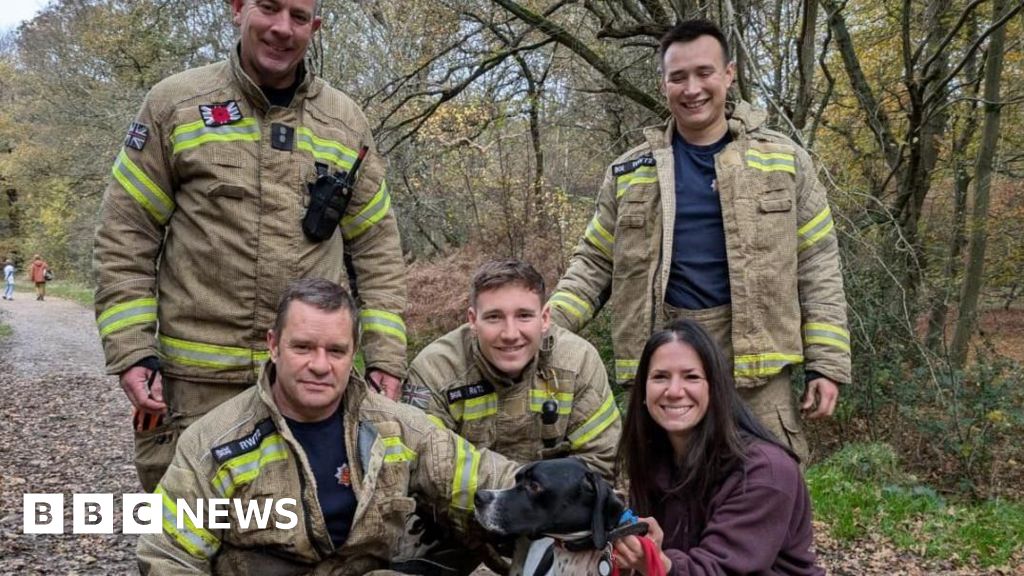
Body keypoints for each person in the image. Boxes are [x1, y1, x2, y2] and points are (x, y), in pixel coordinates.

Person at [93, 0, 407, 492]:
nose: (282, 28)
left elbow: (378, 248)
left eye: (299, 17)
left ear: (315, 28)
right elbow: (125, 236)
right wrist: (132, 351)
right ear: (237, 9)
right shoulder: (174, 104)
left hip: (308, 385)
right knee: (187, 539)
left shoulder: (346, 124)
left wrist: (385, 357)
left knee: (307, 534)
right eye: (269, 8)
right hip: (194, 388)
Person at [547, 19, 850, 461]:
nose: (692, 88)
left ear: (729, 73)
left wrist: (827, 363)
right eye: (678, 77)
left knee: (765, 495)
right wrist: (543, 331)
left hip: (758, 373)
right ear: (664, 84)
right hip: (667, 373)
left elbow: (818, 263)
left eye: (704, 73)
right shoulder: (630, 173)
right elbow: (593, 263)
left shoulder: (785, 161)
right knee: (668, 500)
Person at [137, 278, 518, 575]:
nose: (320, 365)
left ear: (354, 352)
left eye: (336, 351)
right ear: (273, 345)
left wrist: (566, 504)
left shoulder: (396, 427)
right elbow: (170, 555)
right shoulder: (213, 444)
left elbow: (483, 477)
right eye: (303, 347)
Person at [398, 258, 621, 574]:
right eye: (494, 317)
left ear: (545, 318)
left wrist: (532, 511)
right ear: (472, 320)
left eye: (524, 316)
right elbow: (427, 470)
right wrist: (515, 498)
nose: (510, 333)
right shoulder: (434, 370)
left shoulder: (578, 362)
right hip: (456, 526)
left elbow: (598, 466)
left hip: (551, 525)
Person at [613, 319, 825, 575]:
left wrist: (656, 561)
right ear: (643, 393)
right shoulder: (653, 458)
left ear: (715, 388)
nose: (674, 390)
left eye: (691, 377)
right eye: (660, 377)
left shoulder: (766, 471)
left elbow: (720, 570)